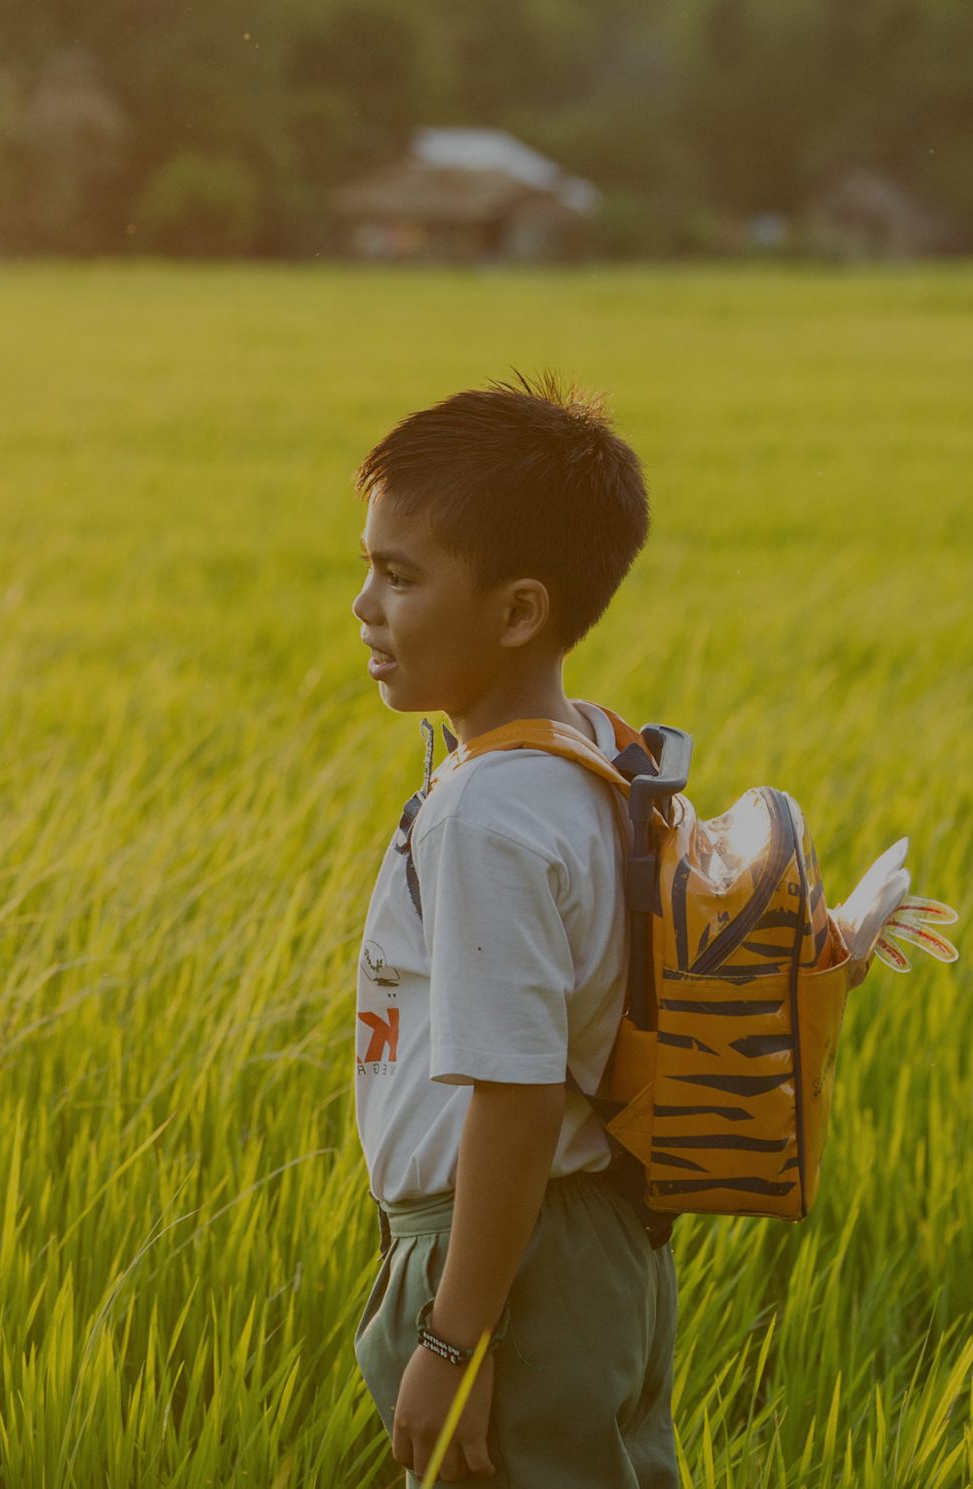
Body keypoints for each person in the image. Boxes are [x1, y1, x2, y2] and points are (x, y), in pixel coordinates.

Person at [346, 373, 677, 1486]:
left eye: (398, 576)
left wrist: (451, 1336)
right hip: (591, 1239)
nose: (363, 607)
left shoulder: (485, 812)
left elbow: (517, 1096)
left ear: (519, 608)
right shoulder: (591, 754)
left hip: (502, 1250)